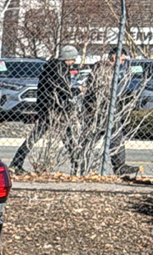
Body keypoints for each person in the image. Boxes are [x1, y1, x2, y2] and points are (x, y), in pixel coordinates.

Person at [10, 44, 78, 173]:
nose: (74, 62)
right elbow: (63, 90)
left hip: (45, 108)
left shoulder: (49, 68)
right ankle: (76, 165)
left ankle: (16, 162)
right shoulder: (61, 69)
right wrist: (76, 91)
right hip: (56, 109)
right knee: (68, 139)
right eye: (73, 59)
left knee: (34, 137)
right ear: (68, 58)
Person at [86, 47, 135, 176]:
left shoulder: (112, 70)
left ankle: (120, 166)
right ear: (114, 57)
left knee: (115, 136)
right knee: (92, 137)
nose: (122, 63)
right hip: (99, 108)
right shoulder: (103, 68)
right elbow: (101, 89)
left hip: (108, 108)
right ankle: (82, 163)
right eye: (122, 59)